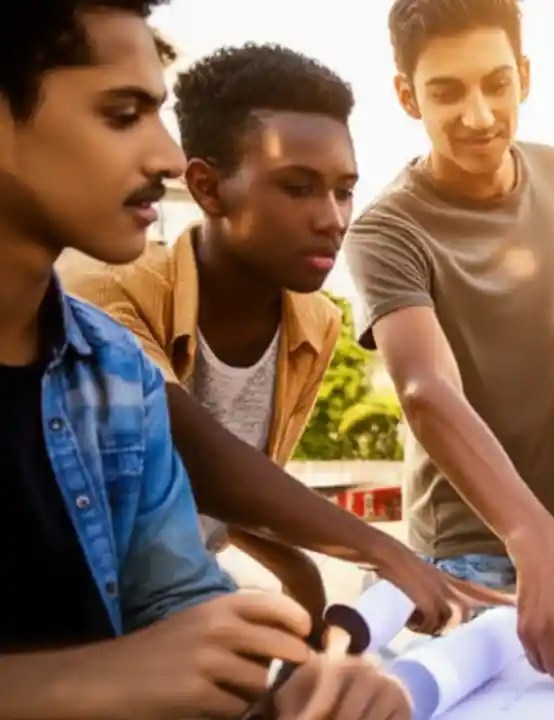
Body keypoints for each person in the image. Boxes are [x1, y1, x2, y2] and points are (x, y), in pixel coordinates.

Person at [0, 2, 409, 717]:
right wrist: (86, 680)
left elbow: (173, 599)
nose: (164, 160)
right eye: (123, 114)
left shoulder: (117, 376)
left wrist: (293, 680)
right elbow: (139, 661)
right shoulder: (133, 311)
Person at [59, 41, 500, 633]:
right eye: (298, 188)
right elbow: (197, 455)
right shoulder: (110, 288)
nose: (333, 218)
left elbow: (244, 486)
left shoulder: (314, 324)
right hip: (81, 616)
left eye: (343, 189)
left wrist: (297, 568)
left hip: (175, 603)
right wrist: (385, 552)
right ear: (207, 188)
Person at [343, 0, 554, 707]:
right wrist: (531, 539)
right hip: (472, 552)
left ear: (524, 77)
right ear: (407, 95)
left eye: (496, 84)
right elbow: (424, 391)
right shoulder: (387, 232)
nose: (478, 114)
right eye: (447, 90)